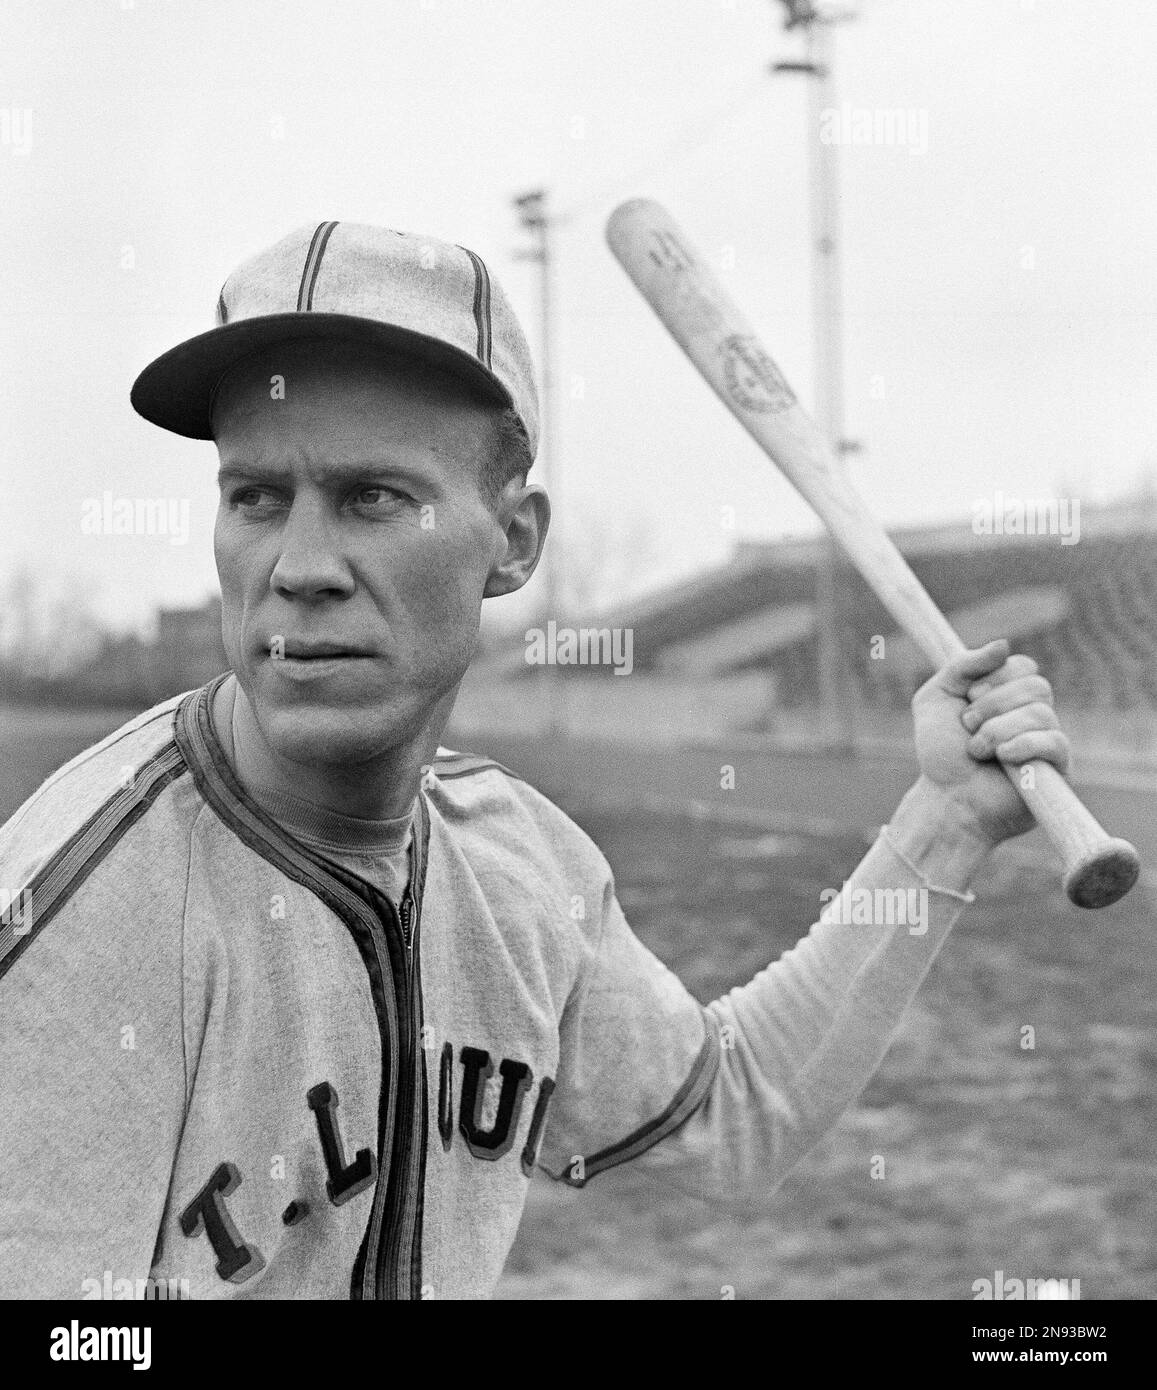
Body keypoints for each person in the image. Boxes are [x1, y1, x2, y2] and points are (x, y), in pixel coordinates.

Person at [0, 221, 1071, 1300]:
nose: (300, 566)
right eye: (256, 497)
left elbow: (735, 1115)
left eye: (374, 496)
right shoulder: (81, 907)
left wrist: (945, 819)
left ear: (512, 543)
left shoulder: (518, 870)